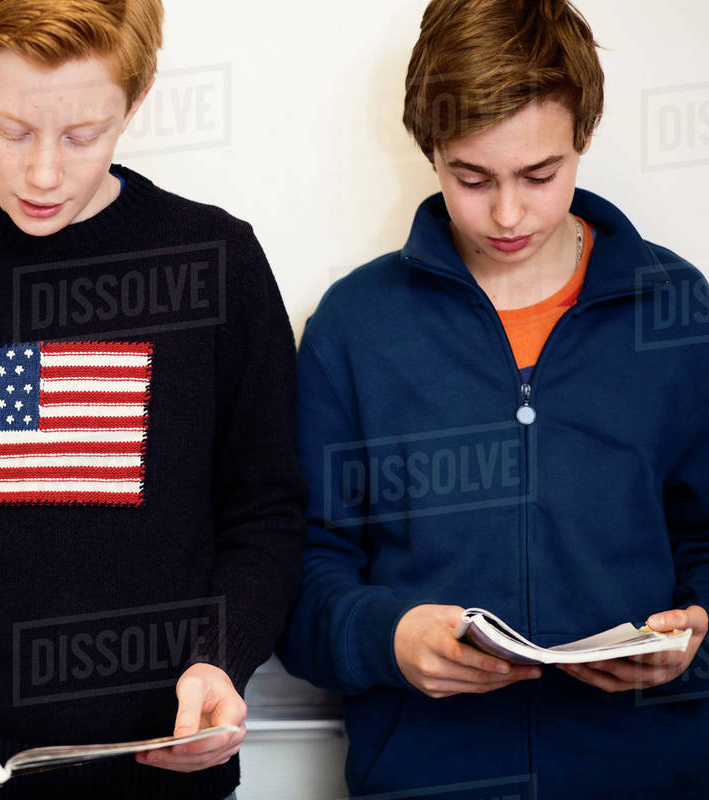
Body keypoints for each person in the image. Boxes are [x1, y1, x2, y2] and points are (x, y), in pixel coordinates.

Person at [0, 1, 305, 798]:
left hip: (167, 764)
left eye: (83, 135)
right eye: (12, 130)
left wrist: (224, 655)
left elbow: (266, 509)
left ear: (137, 99)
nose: (42, 173)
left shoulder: (217, 263)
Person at [278, 0, 709, 797]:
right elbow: (296, 582)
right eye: (470, 178)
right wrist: (391, 639)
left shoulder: (678, 312)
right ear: (429, 150)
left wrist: (699, 635)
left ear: (584, 135)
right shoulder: (353, 328)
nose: (508, 214)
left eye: (540, 176)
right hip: (422, 776)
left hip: (649, 772)